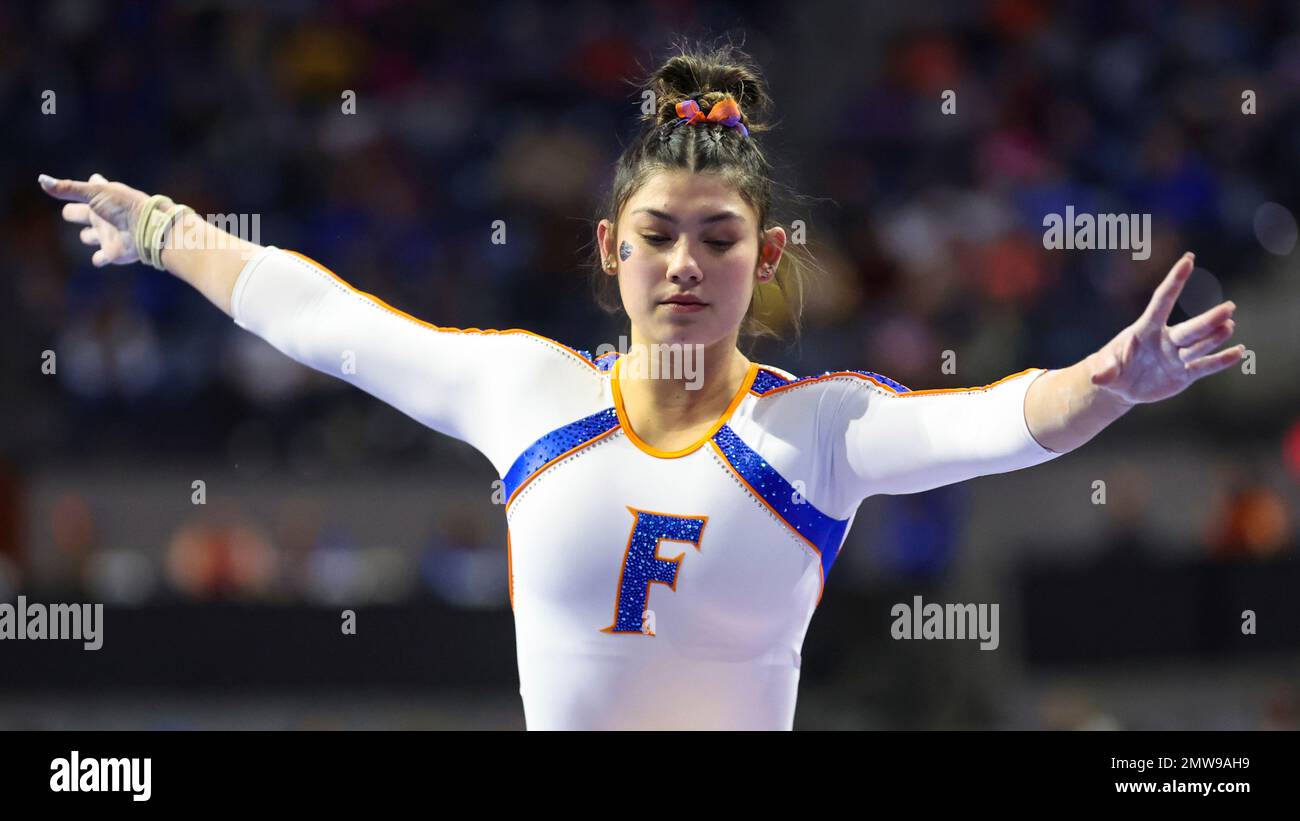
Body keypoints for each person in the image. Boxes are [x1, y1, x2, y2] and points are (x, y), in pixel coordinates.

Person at [37, 43, 1243, 730]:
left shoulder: (813, 432)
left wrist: (1107, 381)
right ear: (611, 244)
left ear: (765, 257)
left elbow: (993, 422)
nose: (684, 265)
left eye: (719, 238)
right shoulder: (526, 393)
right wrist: (160, 228)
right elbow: (324, 322)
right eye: (657, 234)